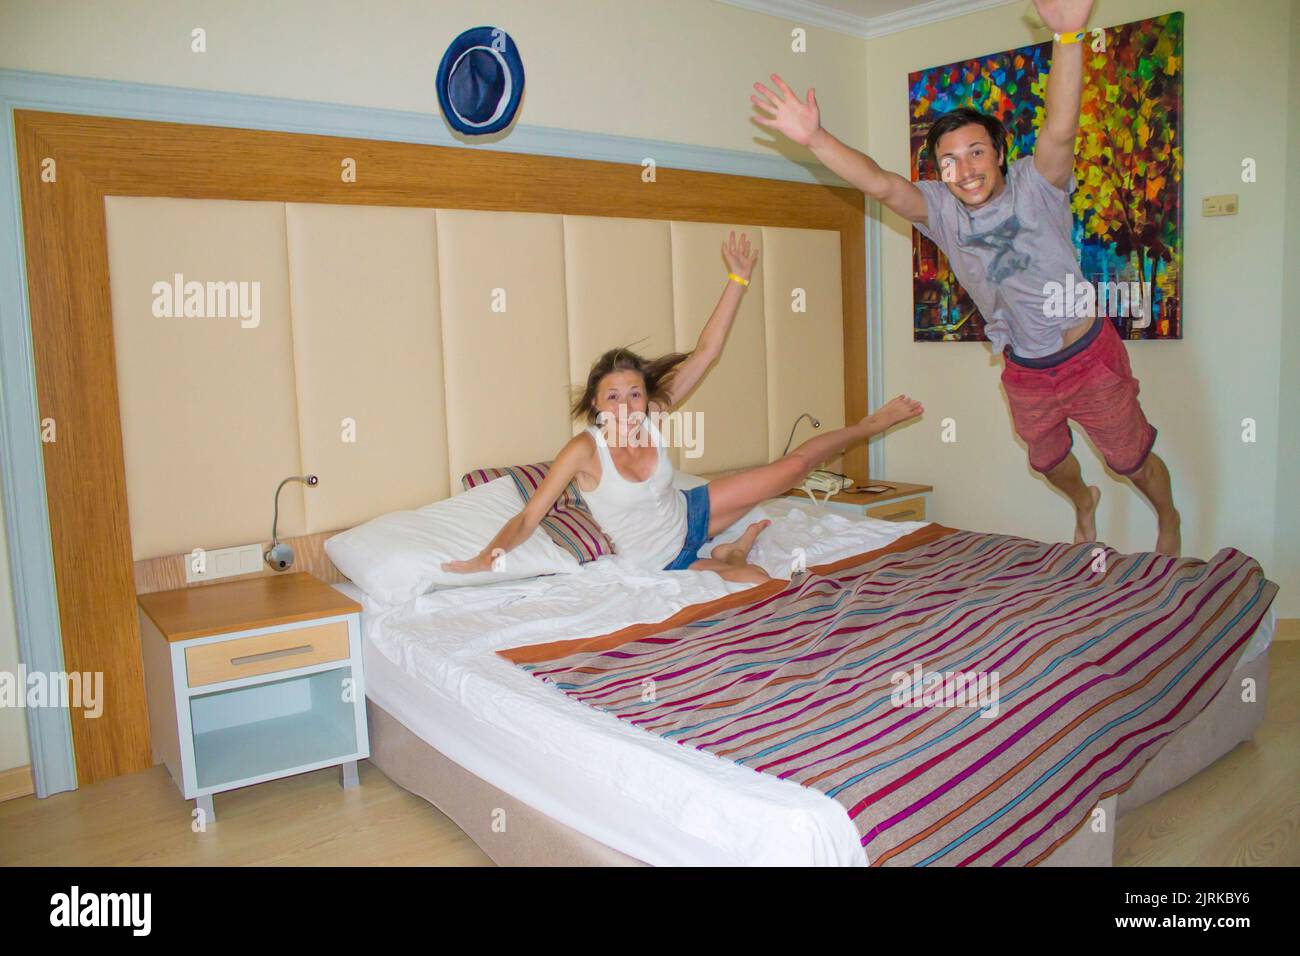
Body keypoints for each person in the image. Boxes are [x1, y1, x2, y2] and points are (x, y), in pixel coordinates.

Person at [751, 0, 1181, 556]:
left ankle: (1167, 516)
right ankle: (1083, 500)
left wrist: (1069, 39)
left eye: (977, 151)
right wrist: (815, 139)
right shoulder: (939, 210)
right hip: (1026, 368)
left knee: (1133, 460)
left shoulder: (1038, 184)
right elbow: (880, 184)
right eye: (949, 159)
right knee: (1047, 461)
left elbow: (1060, 125)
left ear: (1000, 153)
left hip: (1087, 355)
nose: (965, 168)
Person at [443, 230, 924, 584]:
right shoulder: (583, 452)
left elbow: (706, 353)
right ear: (596, 403)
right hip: (662, 561)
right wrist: (489, 555)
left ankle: (867, 425)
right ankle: (733, 556)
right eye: (614, 396)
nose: (628, 406)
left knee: (792, 468)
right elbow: (529, 518)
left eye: (635, 394)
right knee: (760, 585)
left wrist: (738, 278)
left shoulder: (650, 417)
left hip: (695, 514)